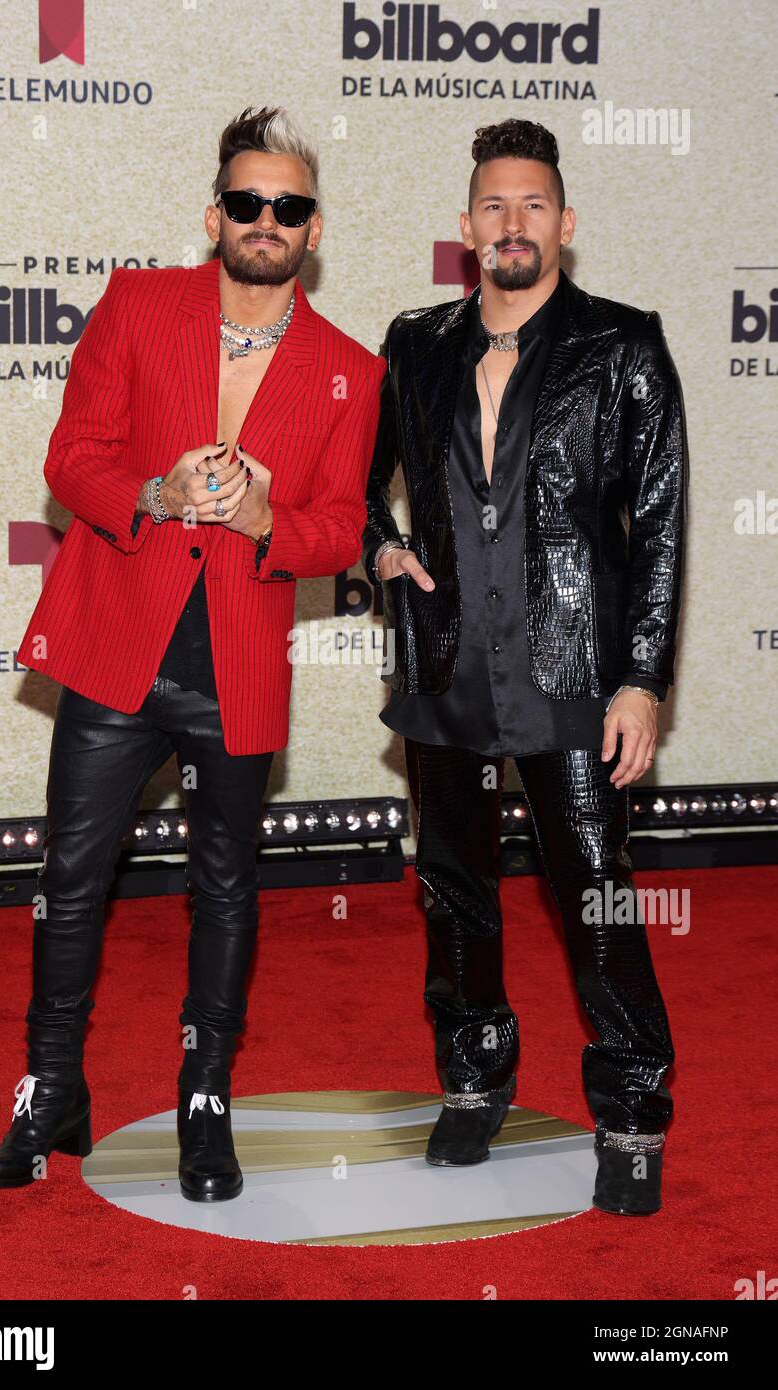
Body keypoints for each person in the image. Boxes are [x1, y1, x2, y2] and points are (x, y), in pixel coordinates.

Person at [0, 105, 386, 1202]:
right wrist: (155, 492)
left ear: (312, 230)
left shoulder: (350, 370)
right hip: (120, 649)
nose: (265, 219)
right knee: (69, 874)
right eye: (247, 200)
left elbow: (341, 527)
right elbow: (73, 458)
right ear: (215, 213)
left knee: (225, 890)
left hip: (233, 663)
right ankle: (48, 1087)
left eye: (287, 207)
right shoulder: (137, 303)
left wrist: (262, 520)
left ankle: (206, 1099)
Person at [363, 118, 688, 1215]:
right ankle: (471, 1076)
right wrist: (376, 542)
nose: (513, 223)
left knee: (592, 893)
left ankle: (633, 1109)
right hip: (447, 662)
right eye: (493, 206)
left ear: (565, 222)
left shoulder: (622, 345)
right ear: (465, 228)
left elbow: (657, 524)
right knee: (453, 890)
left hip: (572, 669)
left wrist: (641, 678)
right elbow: (361, 485)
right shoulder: (414, 343)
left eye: (533, 205)